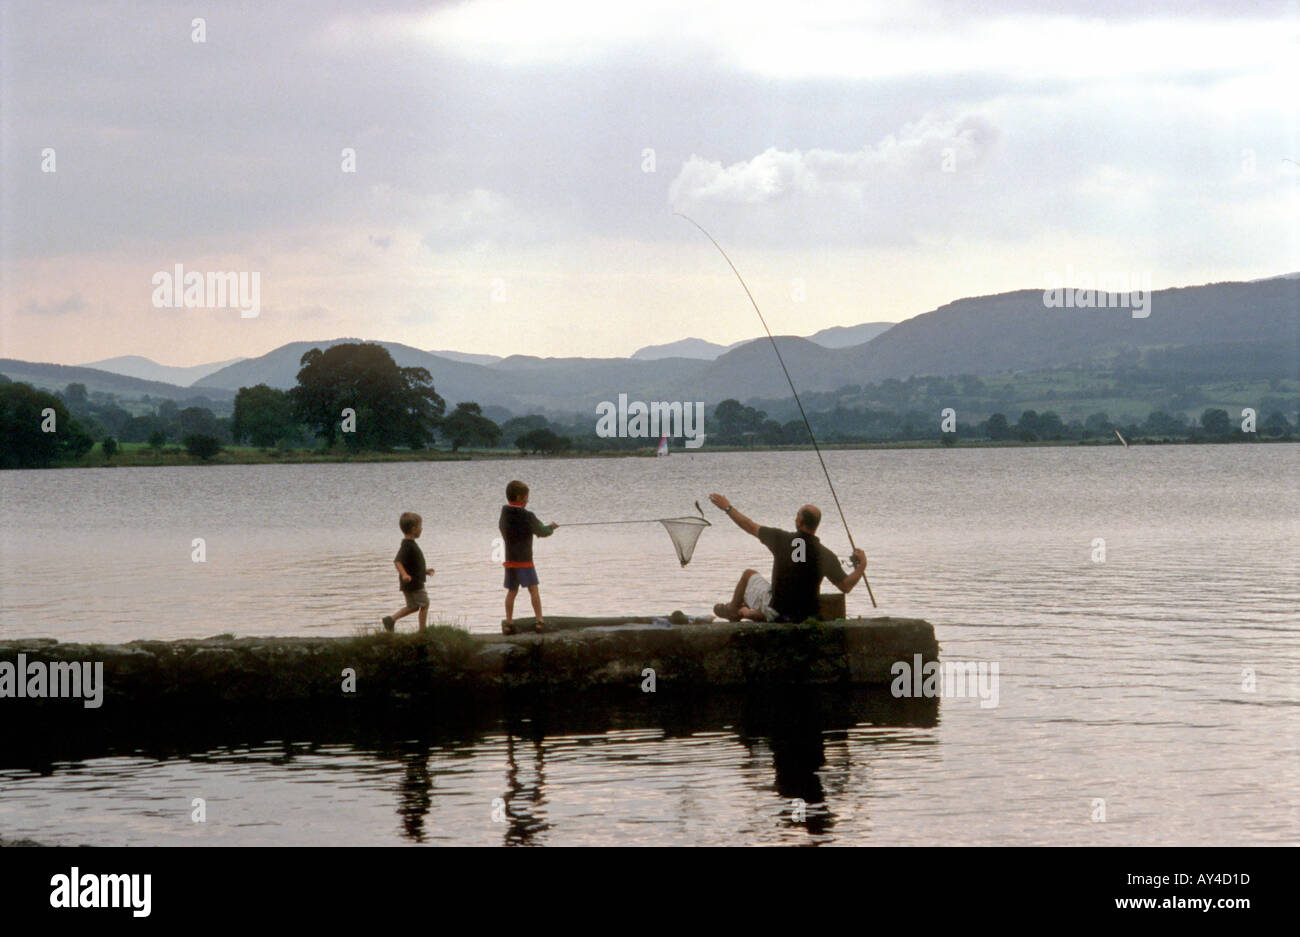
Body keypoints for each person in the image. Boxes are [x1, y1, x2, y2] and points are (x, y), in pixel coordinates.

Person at [708, 493, 867, 623]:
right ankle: (749, 613)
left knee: (748, 574)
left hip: (778, 611)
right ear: (816, 525)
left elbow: (749, 525)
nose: (795, 518)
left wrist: (727, 507)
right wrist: (862, 566)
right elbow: (846, 586)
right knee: (774, 603)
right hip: (803, 616)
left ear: (800, 521)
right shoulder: (825, 554)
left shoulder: (782, 539)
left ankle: (733, 612)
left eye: (797, 515)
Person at [499, 480, 558, 633]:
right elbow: (542, 531)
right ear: (519, 498)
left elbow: (502, 530)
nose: (528, 500)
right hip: (525, 561)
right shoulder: (528, 516)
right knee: (533, 590)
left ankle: (509, 622)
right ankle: (539, 620)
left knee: (512, 591)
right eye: (526, 497)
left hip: (510, 560)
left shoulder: (504, 514)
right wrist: (551, 527)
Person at [382, 511, 431, 632]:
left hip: (410, 582)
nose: (421, 529)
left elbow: (412, 564)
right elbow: (398, 561)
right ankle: (423, 631)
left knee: (413, 607)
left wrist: (424, 571)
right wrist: (404, 575)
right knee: (425, 604)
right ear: (414, 529)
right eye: (420, 526)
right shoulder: (408, 545)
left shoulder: (409, 545)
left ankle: (391, 620)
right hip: (413, 583)